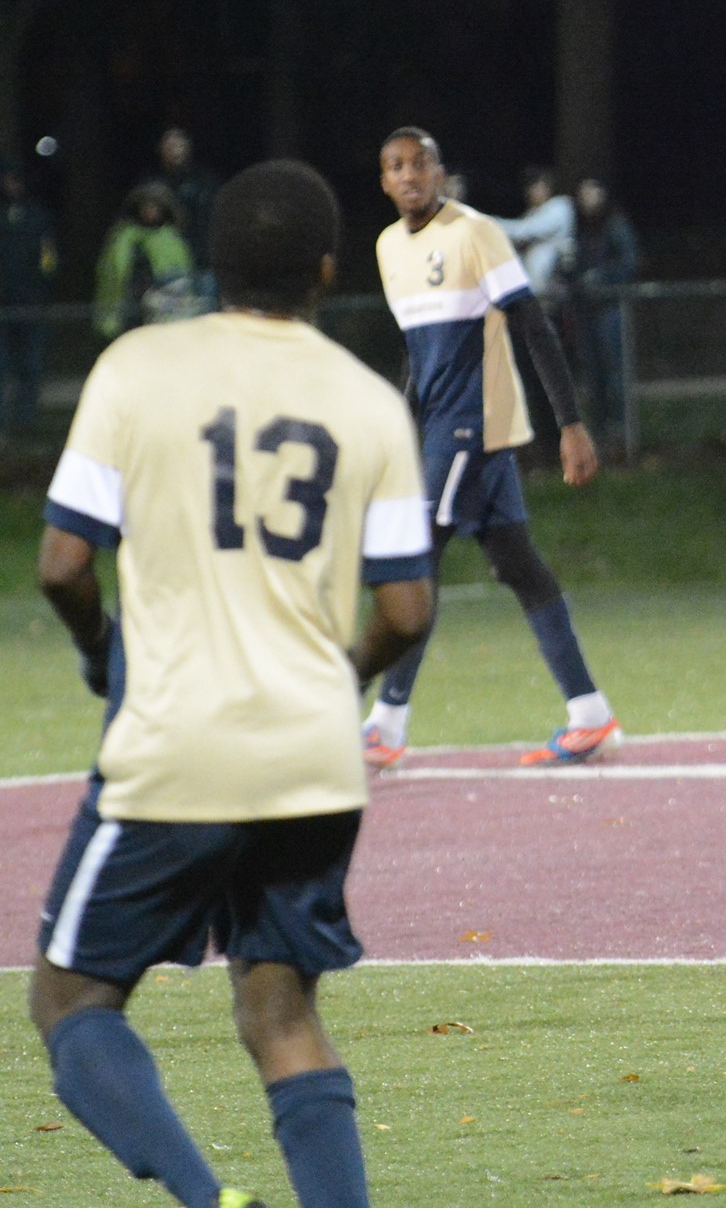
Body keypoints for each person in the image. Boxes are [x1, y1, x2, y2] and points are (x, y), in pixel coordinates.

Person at [30, 159, 435, 1208]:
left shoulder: (137, 368)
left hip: (175, 743)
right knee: (282, 1015)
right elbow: (406, 611)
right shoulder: (367, 401)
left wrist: (100, 650)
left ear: (212, 264)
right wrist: (336, 680)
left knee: (71, 996)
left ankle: (209, 1200)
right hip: (311, 757)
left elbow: (63, 564)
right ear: (328, 269)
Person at [361, 128, 620, 769]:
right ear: (384, 181)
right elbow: (421, 356)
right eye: (396, 166)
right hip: (441, 430)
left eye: (421, 163)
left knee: (415, 557)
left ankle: (385, 724)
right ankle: (589, 713)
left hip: (471, 425)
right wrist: (402, 431)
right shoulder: (389, 247)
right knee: (518, 565)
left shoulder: (474, 232)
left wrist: (571, 423)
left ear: (440, 172)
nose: (410, 175)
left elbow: (532, 323)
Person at [566, 176, 640, 458]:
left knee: (615, 374)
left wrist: (601, 279)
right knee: (593, 376)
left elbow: (629, 263)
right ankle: (598, 434)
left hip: (610, 309)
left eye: (593, 193)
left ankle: (622, 435)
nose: (588, 200)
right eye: (583, 195)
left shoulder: (615, 225)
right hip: (587, 311)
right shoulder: (579, 229)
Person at [0, 156, 58, 435]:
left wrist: (42, 288)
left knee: (30, 363)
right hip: (3, 304)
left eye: (16, 180)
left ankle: (25, 420)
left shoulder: (39, 217)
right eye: (8, 180)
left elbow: (49, 258)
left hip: (31, 302)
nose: (12, 185)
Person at [92, 181, 195, 337]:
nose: (149, 211)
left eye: (154, 206)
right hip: (127, 306)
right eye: (145, 205)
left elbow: (182, 276)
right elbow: (110, 271)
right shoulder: (122, 236)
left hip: (161, 309)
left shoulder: (171, 239)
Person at [156, 128, 222, 303]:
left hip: (204, 263)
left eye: (179, 145)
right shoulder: (155, 186)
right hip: (169, 265)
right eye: (170, 145)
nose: (175, 150)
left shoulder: (206, 183)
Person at [496, 166, 576, 304]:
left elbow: (526, 230)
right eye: (531, 187)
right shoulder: (533, 212)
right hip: (533, 292)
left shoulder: (560, 207)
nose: (534, 191)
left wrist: (491, 223)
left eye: (538, 185)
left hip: (554, 284)